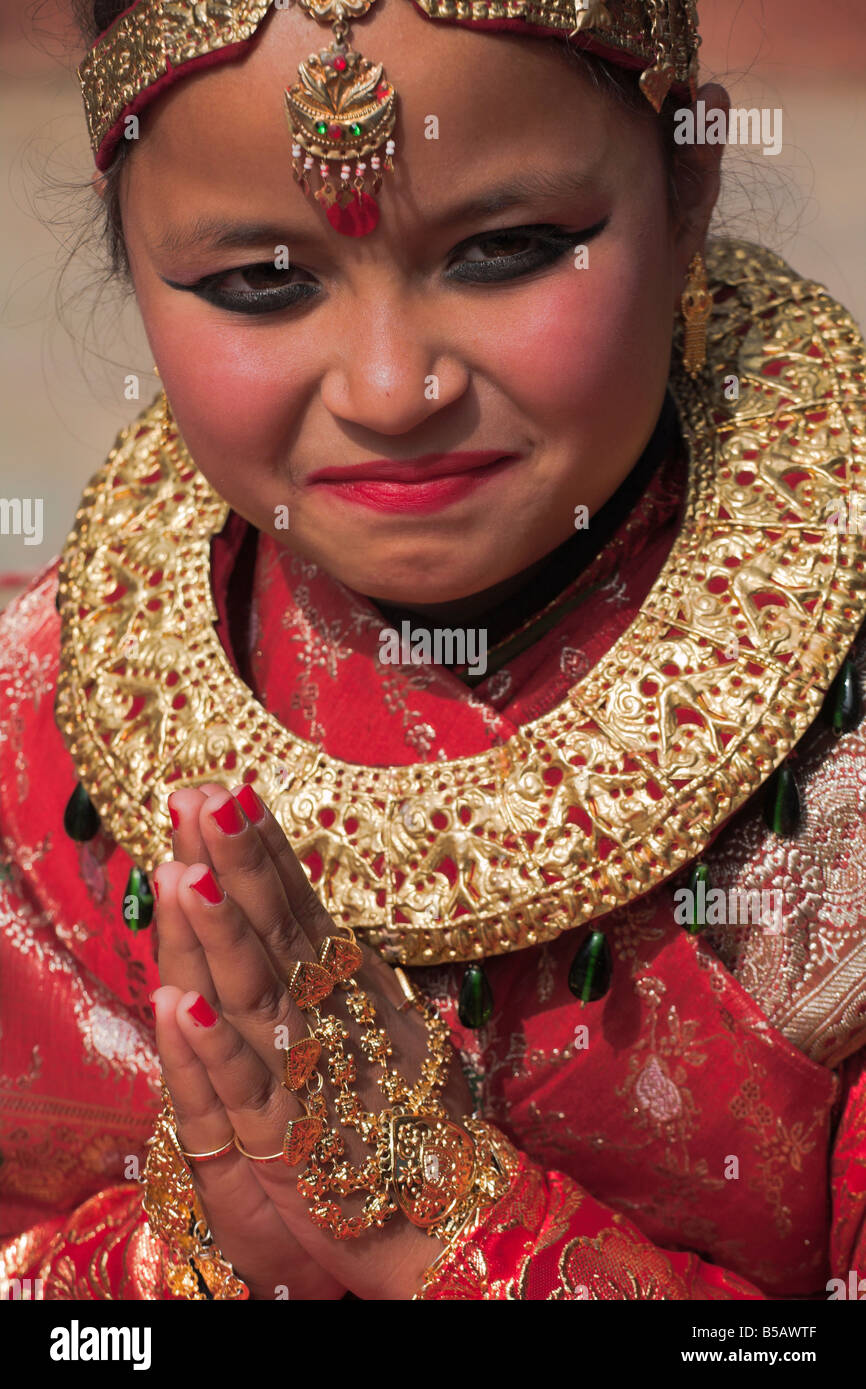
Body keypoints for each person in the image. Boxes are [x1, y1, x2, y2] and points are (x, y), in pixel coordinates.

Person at [1, 0, 865, 1301]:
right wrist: (182, 1263)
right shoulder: (25, 734)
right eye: (261, 282)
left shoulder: (838, 784)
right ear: (130, 244)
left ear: (688, 181)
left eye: (506, 250)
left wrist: (464, 1236)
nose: (390, 388)